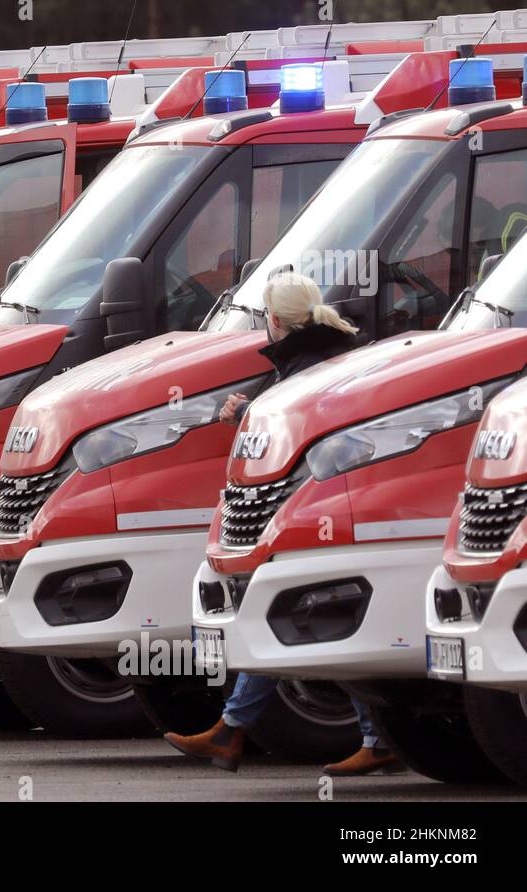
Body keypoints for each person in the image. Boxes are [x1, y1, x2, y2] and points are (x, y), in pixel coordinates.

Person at [167, 272, 402, 777]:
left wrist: (248, 412)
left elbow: (303, 424)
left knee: (303, 615)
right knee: (299, 616)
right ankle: (238, 731)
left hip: (310, 508)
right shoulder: (325, 350)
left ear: (275, 320)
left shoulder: (308, 361)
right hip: (312, 505)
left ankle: (237, 731)